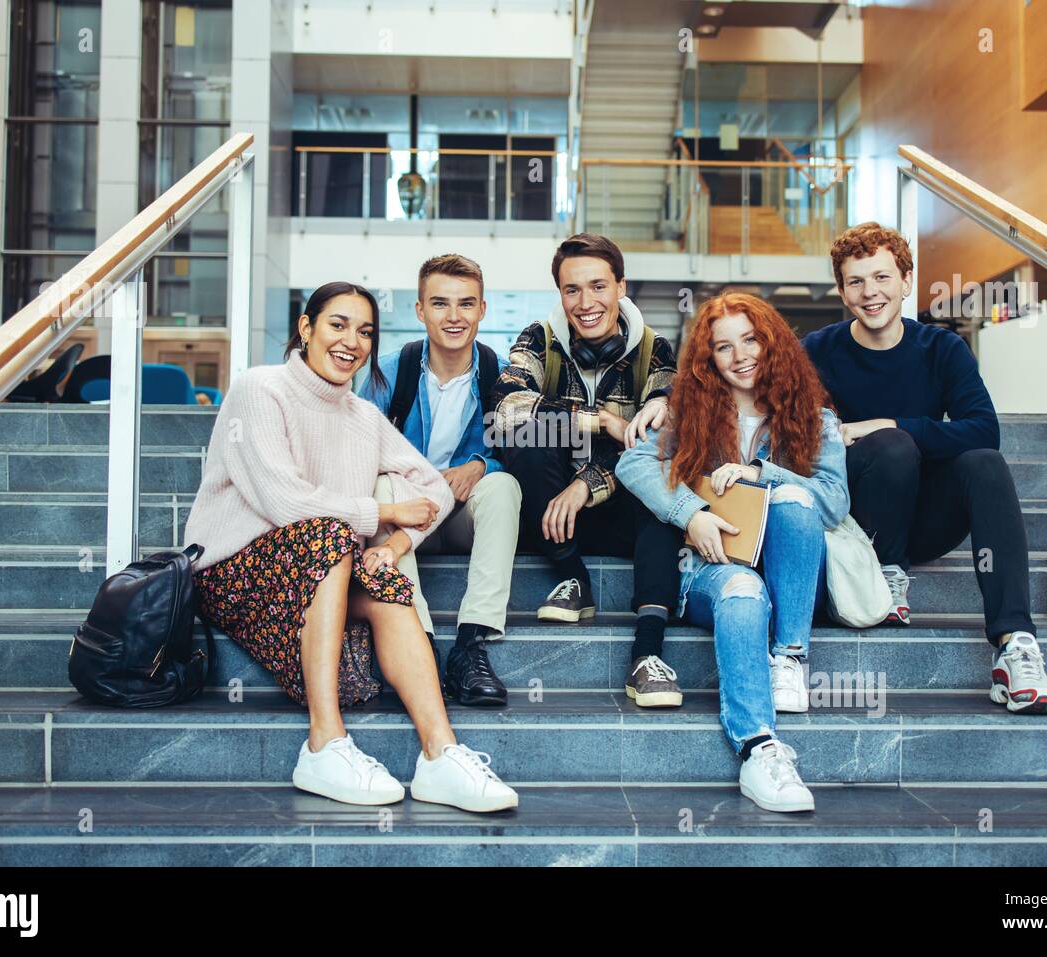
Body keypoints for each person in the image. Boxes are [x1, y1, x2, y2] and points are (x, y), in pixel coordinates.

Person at [182, 281, 519, 812]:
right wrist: (385, 513)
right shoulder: (260, 388)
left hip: (320, 567)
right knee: (331, 534)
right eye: (337, 325)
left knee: (389, 585)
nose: (352, 341)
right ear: (306, 329)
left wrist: (400, 541)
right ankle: (323, 744)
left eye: (365, 331)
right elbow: (287, 502)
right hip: (234, 571)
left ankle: (440, 754)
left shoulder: (362, 416)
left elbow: (432, 487)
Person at [801, 222, 1047, 714]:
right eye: (855, 282)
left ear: (906, 281)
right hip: (854, 520)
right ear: (841, 290)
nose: (870, 292)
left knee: (982, 463)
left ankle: (1016, 644)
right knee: (893, 447)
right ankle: (886, 575)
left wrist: (886, 422)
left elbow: (984, 430)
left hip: (926, 517)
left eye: (881, 277)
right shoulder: (818, 350)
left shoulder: (941, 348)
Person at [617, 293, 847, 812]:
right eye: (724, 347)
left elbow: (834, 502)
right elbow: (633, 463)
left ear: (773, 343)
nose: (740, 355)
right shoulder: (689, 410)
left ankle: (789, 657)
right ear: (709, 359)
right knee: (744, 589)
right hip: (712, 570)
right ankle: (758, 748)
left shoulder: (815, 417)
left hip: (788, 571)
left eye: (751, 340)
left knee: (794, 497)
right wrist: (691, 513)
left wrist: (762, 473)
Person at [492, 233, 684, 708]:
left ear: (622, 286)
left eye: (598, 286)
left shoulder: (656, 351)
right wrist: (600, 421)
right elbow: (506, 411)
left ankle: (647, 656)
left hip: (621, 511)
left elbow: (656, 444)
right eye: (571, 290)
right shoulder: (539, 338)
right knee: (527, 438)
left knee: (661, 483)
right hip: (549, 516)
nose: (585, 303)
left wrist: (587, 483)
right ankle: (573, 579)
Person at [361, 254, 522, 707]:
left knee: (504, 485)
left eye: (466, 304)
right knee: (379, 487)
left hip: (459, 519)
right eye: (440, 304)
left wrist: (481, 465)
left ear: (483, 310)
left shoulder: (503, 377)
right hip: (404, 517)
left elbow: (519, 455)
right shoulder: (387, 372)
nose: (454, 317)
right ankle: (422, 644)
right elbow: (356, 452)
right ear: (419, 311)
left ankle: (470, 645)